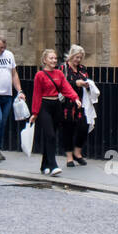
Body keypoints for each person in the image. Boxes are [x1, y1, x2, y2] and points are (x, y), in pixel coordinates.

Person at [31, 48, 80, 177]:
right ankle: (53, 165)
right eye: (51, 58)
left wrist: (75, 98)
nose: (54, 60)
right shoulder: (40, 75)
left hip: (56, 106)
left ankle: (44, 165)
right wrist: (35, 113)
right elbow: (36, 94)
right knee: (50, 135)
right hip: (44, 106)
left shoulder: (59, 74)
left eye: (55, 58)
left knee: (51, 136)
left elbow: (66, 88)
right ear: (45, 60)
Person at [60, 45, 91, 167]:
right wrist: (75, 83)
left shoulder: (82, 68)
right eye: (77, 57)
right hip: (67, 103)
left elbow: (86, 80)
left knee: (84, 127)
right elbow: (61, 83)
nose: (78, 60)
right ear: (71, 56)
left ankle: (77, 153)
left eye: (80, 57)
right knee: (68, 129)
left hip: (81, 103)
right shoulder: (63, 68)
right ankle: (69, 157)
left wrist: (87, 84)